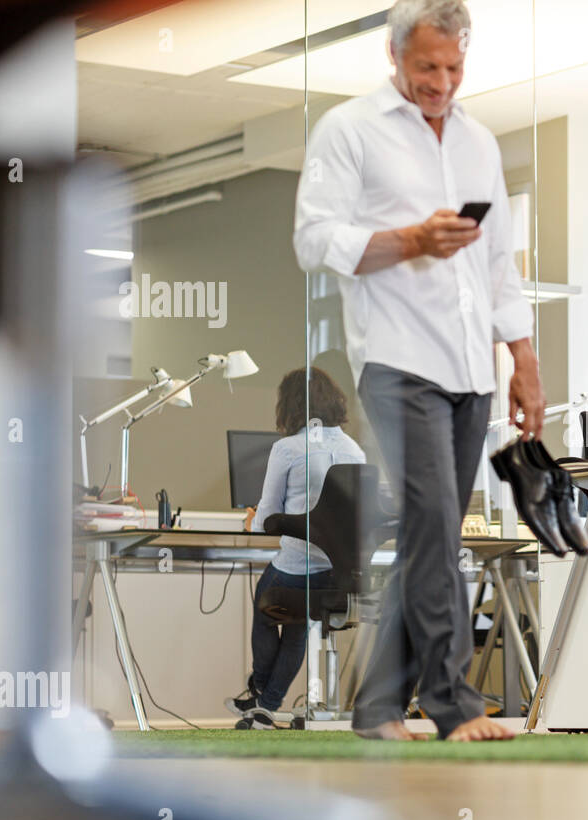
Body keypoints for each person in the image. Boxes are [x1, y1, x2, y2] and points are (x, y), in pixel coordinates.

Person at [292, 0, 544, 742]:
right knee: (436, 522)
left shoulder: (478, 141)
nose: (441, 82)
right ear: (394, 56)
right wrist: (408, 240)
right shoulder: (348, 129)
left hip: (472, 364)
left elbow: (499, 262)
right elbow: (313, 239)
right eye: (427, 67)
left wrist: (524, 360)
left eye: (455, 68)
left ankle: (374, 709)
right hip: (398, 359)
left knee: (434, 538)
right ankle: (451, 701)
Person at [228, 367, 366, 729]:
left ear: (290, 406)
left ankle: (262, 695)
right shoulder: (355, 450)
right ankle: (264, 708)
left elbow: (269, 516)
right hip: (337, 575)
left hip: (295, 568)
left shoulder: (288, 449)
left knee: (265, 611)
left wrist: (253, 521)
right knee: (295, 626)